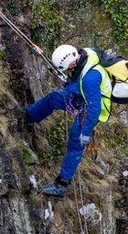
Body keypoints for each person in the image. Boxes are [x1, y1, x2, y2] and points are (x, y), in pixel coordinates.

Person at [24, 44, 112, 198]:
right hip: (79, 95)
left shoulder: (90, 78)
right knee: (53, 98)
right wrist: (40, 54)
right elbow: (64, 63)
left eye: (67, 68)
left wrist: (85, 132)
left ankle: (61, 185)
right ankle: (28, 117)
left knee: (75, 145)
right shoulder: (85, 53)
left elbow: (94, 108)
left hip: (89, 110)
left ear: (72, 63)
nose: (68, 70)